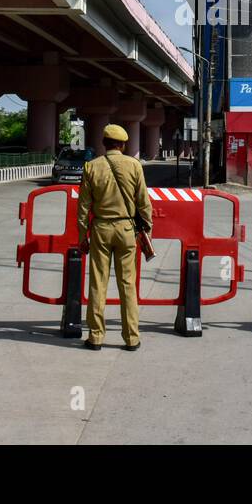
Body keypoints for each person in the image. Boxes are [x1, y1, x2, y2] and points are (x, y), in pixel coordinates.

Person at [77, 124, 153, 350]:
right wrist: (146, 230)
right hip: (127, 230)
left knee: (98, 283)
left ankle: (96, 337)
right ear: (122, 144)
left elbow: (83, 208)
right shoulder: (134, 166)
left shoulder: (91, 167)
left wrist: (83, 236)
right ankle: (131, 338)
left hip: (100, 229)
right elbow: (144, 203)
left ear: (104, 143)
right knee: (128, 284)